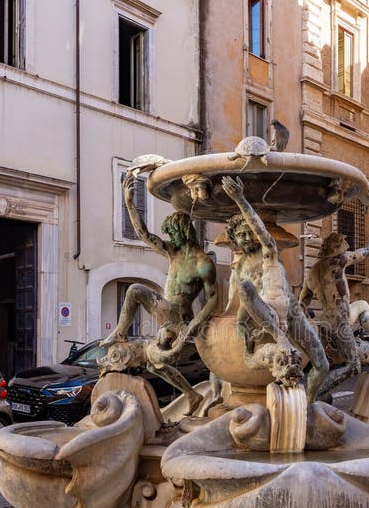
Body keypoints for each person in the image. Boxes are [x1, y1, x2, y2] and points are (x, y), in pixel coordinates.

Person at [101, 169, 218, 415]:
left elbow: (214, 298)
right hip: (165, 309)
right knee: (155, 364)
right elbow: (144, 235)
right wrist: (130, 203)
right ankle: (192, 394)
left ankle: (118, 333)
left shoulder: (202, 262)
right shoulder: (173, 253)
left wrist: (195, 323)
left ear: (184, 231)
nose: (171, 238)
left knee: (134, 290)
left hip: (177, 316)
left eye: (174, 234)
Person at [222, 175, 328, 401]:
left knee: (323, 365)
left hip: (292, 313)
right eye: (240, 235)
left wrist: (240, 199)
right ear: (234, 240)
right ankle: (277, 339)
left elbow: (263, 233)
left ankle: (305, 404)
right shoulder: (239, 266)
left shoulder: (268, 252)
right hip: (266, 314)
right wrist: (241, 324)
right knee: (245, 286)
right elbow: (244, 297)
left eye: (248, 232)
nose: (246, 237)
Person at [298, 209, 369, 396]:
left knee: (362, 307)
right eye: (344, 243)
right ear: (335, 246)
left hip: (326, 326)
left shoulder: (311, 274)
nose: (347, 245)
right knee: (353, 365)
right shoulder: (338, 261)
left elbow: (300, 306)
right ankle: (314, 393)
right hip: (341, 323)